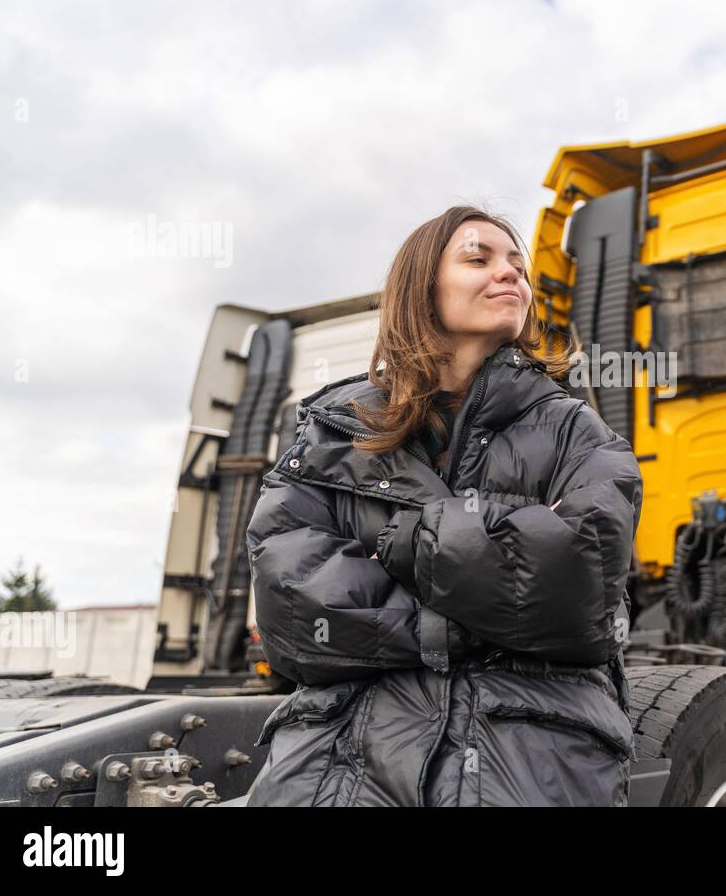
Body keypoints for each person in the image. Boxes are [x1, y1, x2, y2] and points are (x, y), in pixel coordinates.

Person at [243, 205, 643, 806]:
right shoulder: (332, 430)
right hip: (336, 765)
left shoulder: (578, 432)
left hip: (526, 761)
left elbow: (578, 582)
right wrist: (478, 594)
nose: (510, 275)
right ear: (420, 288)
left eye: (517, 265)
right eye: (479, 259)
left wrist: (403, 543)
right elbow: (290, 606)